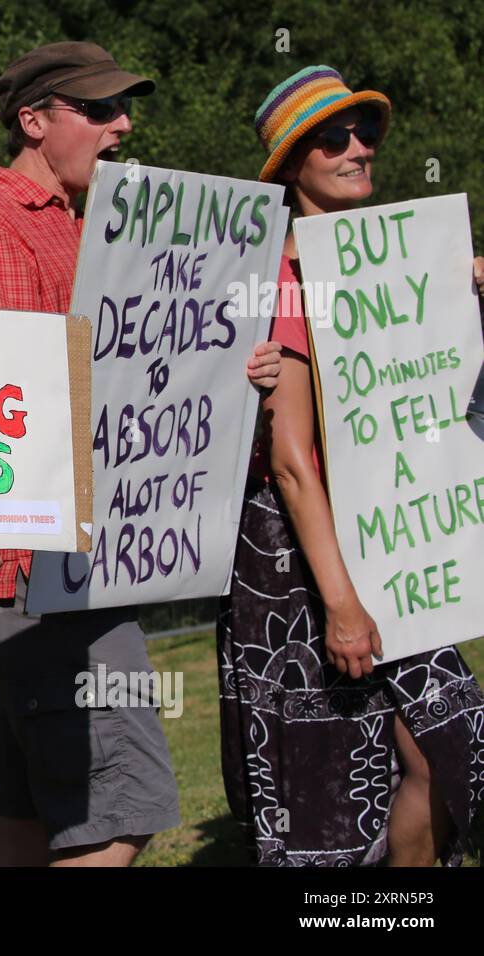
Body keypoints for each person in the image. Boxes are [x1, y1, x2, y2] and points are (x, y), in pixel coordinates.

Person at [0, 41, 284, 866]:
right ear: (33, 121)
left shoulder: (90, 230)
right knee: (118, 809)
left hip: (76, 567)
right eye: (97, 110)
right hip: (37, 566)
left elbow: (137, 372)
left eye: (123, 108)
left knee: (26, 817)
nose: (122, 125)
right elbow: (6, 402)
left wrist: (232, 370)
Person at [219, 65, 484, 865]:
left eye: (365, 133)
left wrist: (463, 289)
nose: (357, 148)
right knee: (331, 795)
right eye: (331, 138)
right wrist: (340, 603)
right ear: (292, 163)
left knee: (451, 742)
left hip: (392, 545)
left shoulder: (399, 263)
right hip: (300, 567)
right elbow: (292, 459)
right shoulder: (283, 273)